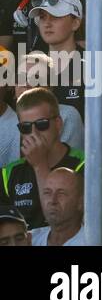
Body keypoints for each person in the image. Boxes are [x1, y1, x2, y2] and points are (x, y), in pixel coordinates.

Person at [0, 87, 82, 230]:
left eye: (41, 124)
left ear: (58, 123)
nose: (33, 133)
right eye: (25, 127)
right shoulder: (10, 172)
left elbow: (57, 221)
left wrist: (40, 165)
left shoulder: (84, 164)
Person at [29, 167, 83, 246]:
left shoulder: (94, 241)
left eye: (61, 194)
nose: (53, 200)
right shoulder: (29, 240)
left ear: (80, 202)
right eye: (47, 193)